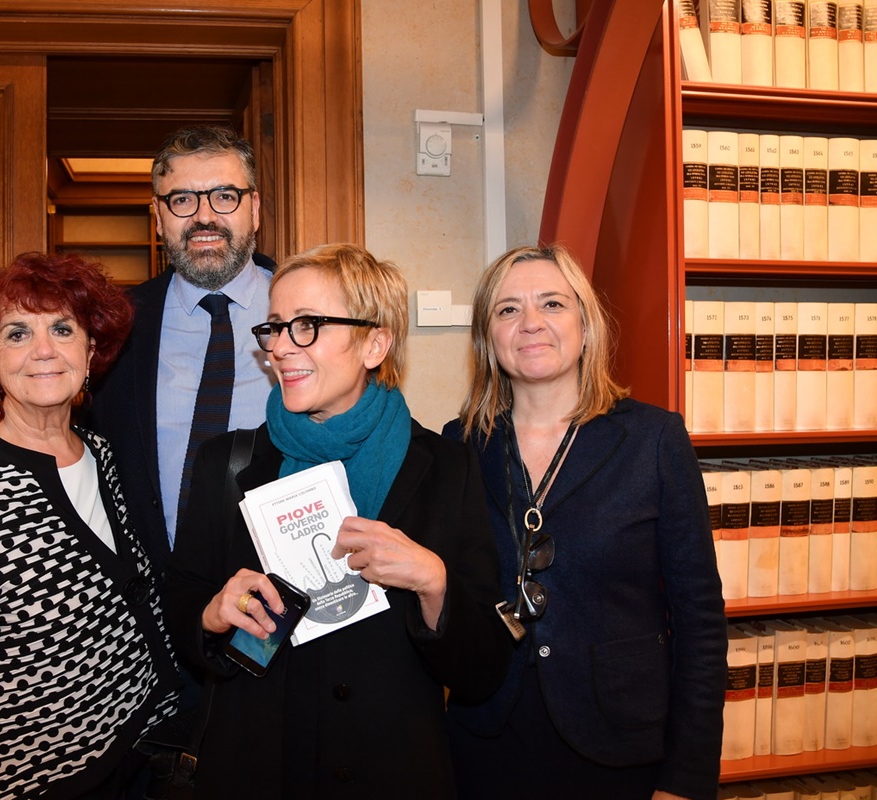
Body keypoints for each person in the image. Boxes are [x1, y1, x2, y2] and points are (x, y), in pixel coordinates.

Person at [164, 243, 513, 799]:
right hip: (257, 768)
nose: (280, 348)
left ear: (375, 342)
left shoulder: (447, 467)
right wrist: (211, 613)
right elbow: (181, 599)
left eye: (307, 326)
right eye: (275, 327)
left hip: (392, 771)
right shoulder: (226, 463)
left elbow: (481, 670)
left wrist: (434, 583)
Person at [442, 244, 728, 800]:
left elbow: (700, 621)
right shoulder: (461, 444)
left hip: (619, 747)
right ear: (487, 336)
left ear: (584, 323)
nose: (531, 324)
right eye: (507, 310)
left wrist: (688, 779)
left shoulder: (654, 440)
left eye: (552, 303)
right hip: (485, 740)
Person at [0, 252, 180, 800]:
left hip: (143, 743)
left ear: (91, 349)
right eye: (17, 333)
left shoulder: (100, 453)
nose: (45, 350)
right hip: (42, 775)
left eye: (61, 328)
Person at [90, 124, 277, 576]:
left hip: (284, 588)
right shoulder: (114, 325)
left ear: (254, 209)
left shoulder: (311, 315)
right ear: (158, 216)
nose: (204, 217)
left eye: (224, 196)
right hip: (153, 596)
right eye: (182, 200)